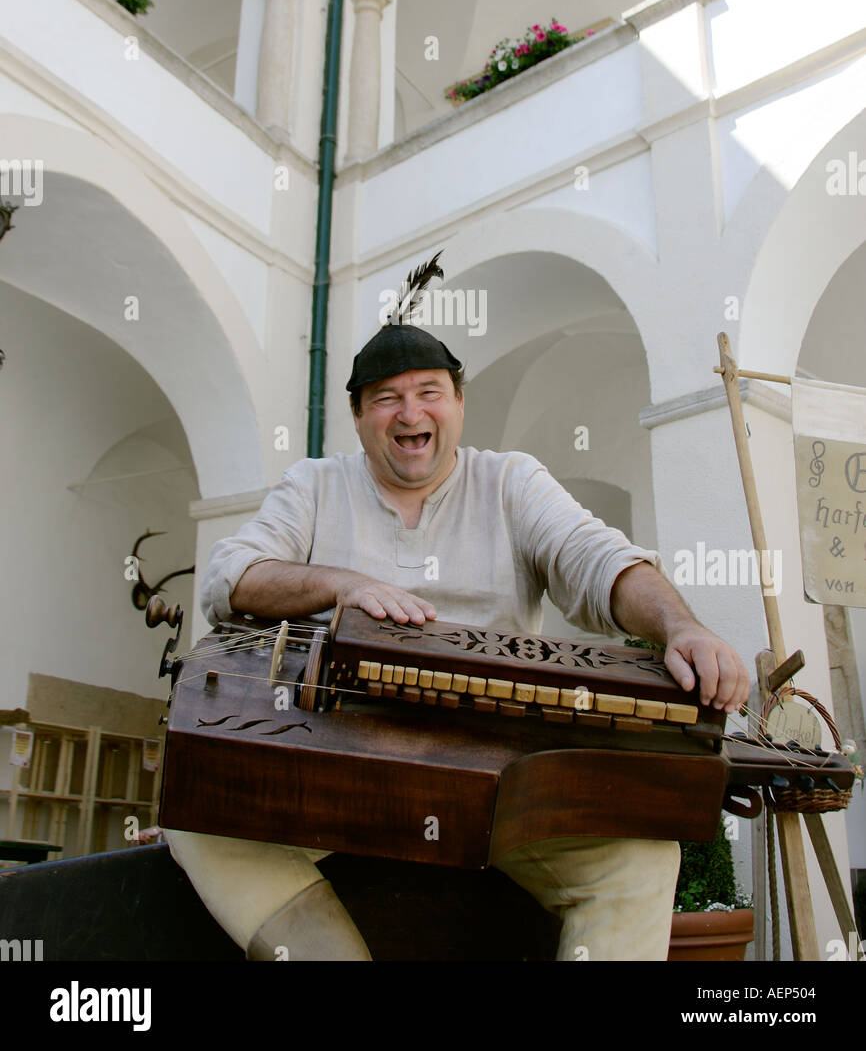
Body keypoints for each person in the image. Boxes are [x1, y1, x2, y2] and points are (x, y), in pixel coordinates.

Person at [166, 318, 749, 962]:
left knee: (639, 860)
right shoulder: (315, 485)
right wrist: (342, 584)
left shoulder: (510, 482)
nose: (410, 412)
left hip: (505, 781)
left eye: (430, 391)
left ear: (460, 405)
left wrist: (679, 624)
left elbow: (597, 559)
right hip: (337, 770)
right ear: (358, 418)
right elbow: (230, 577)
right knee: (198, 822)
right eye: (386, 397)